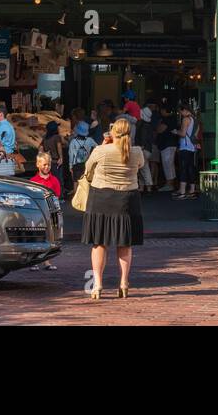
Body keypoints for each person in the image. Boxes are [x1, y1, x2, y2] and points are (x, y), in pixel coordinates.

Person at [81, 118, 145, 299]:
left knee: (99, 242)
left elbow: (87, 169)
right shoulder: (137, 152)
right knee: (124, 242)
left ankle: (98, 285)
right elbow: (140, 165)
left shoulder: (101, 150)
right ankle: (124, 282)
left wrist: (104, 144)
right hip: (127, 199)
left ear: (112, 132)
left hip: (101, 197)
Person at [28, 151, 61, 271]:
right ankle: (34, 262)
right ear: (38, 164)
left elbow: (57, 196)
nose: (46, 167)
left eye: (49, 165)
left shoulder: (54, 180)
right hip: (37, 213)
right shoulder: (33, 180)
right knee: (36, 237)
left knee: (48, 238)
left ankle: (47, 261)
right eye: (44, 165)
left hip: (50, 213)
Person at [173, 106, 200, 200]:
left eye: (181, 112)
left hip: (184, 146)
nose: (180, 114)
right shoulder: (195, 120)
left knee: (183, 169)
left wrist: (176, 131)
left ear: (185, 110)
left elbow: (183, 134)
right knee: (191, 168)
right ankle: (192, 191)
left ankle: (182, 192)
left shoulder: (185, 119)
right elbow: (196, 136)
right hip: (192, 147)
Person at [69, 122, 97, 189]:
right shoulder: (90, 140)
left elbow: (71, 154)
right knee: (85, 181)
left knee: (76, 181)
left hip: (76, 164)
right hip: (86, 163)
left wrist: (70, 166)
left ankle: (76, 197)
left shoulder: (73, 141)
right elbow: (98, 147)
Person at [0, 104, 17, 176]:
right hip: (6, 159)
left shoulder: (3, 127)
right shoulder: (8, 125)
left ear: (1, 114)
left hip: (3, 161)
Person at [155, 109, 177, 191]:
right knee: (170, 164)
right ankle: (171, 183)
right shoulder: (173, 119)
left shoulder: (167, 119)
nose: (161, 111)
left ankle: (169, 184)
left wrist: (158, 125)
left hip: (167, 145)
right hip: (171, 144)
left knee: (167, 164)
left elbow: (160, 129)